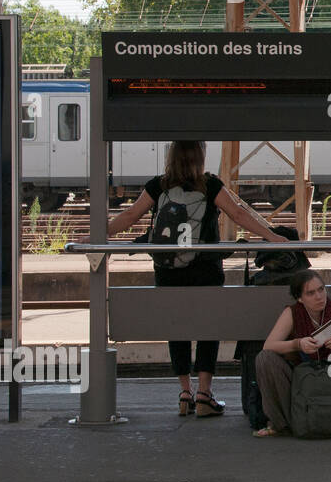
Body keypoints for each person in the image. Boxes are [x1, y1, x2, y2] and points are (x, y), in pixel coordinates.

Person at [103, 140, 287, 417]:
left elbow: (130, 215)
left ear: (171, 157)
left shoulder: (159, 185)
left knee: (176, 327)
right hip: (206, 268)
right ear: (200, 157)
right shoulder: (209, 184)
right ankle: (204, 394)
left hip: (168, 270)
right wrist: (272, 236)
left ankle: (184, 392)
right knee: (208, 328)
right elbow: (237, 213)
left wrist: (98, 236)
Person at [252, 270, 331, 437]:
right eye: (311, 293)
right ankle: (281, 424)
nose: (319, 296)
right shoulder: (292, 313)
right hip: (302, 379)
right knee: (265, 359)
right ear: (300, 298)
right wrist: (298, 344)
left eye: (321, 289)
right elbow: (269, 345)